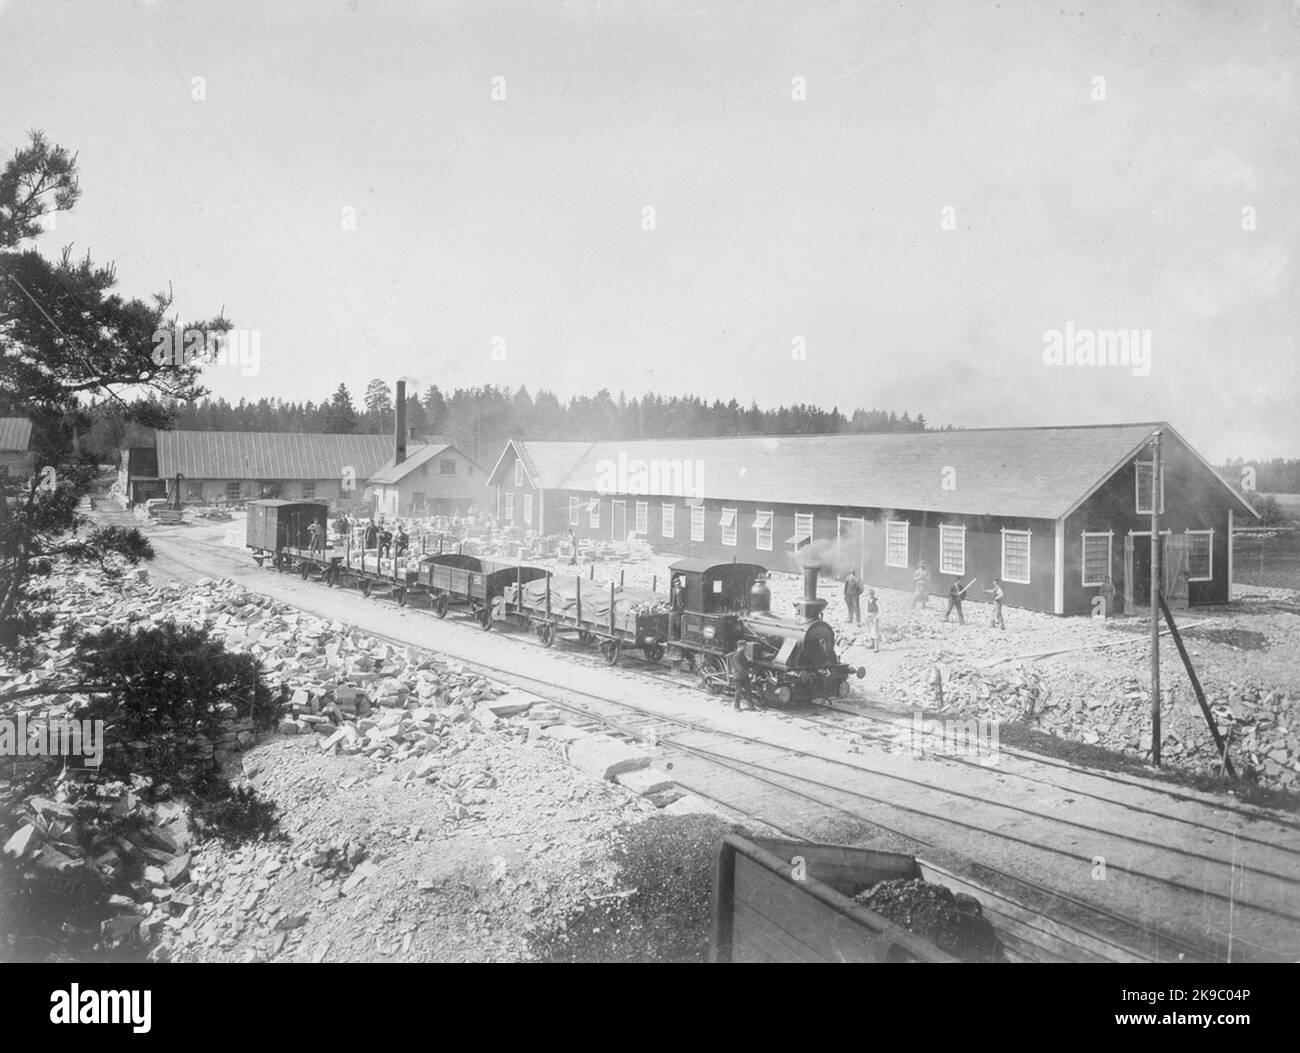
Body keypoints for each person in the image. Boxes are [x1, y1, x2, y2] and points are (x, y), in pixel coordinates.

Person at [731, 640, 756, 712]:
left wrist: (751, 664)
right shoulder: (736, 655)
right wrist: (748, 672)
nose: (746, 648)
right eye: (745, 646)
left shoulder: (742, 653)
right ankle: (736, 707)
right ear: (741, 646)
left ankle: (751, 707)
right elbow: (739, 667)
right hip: (739, 676)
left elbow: (745, 663)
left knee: (748, 691)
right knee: (738, 692)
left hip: (744, 676)